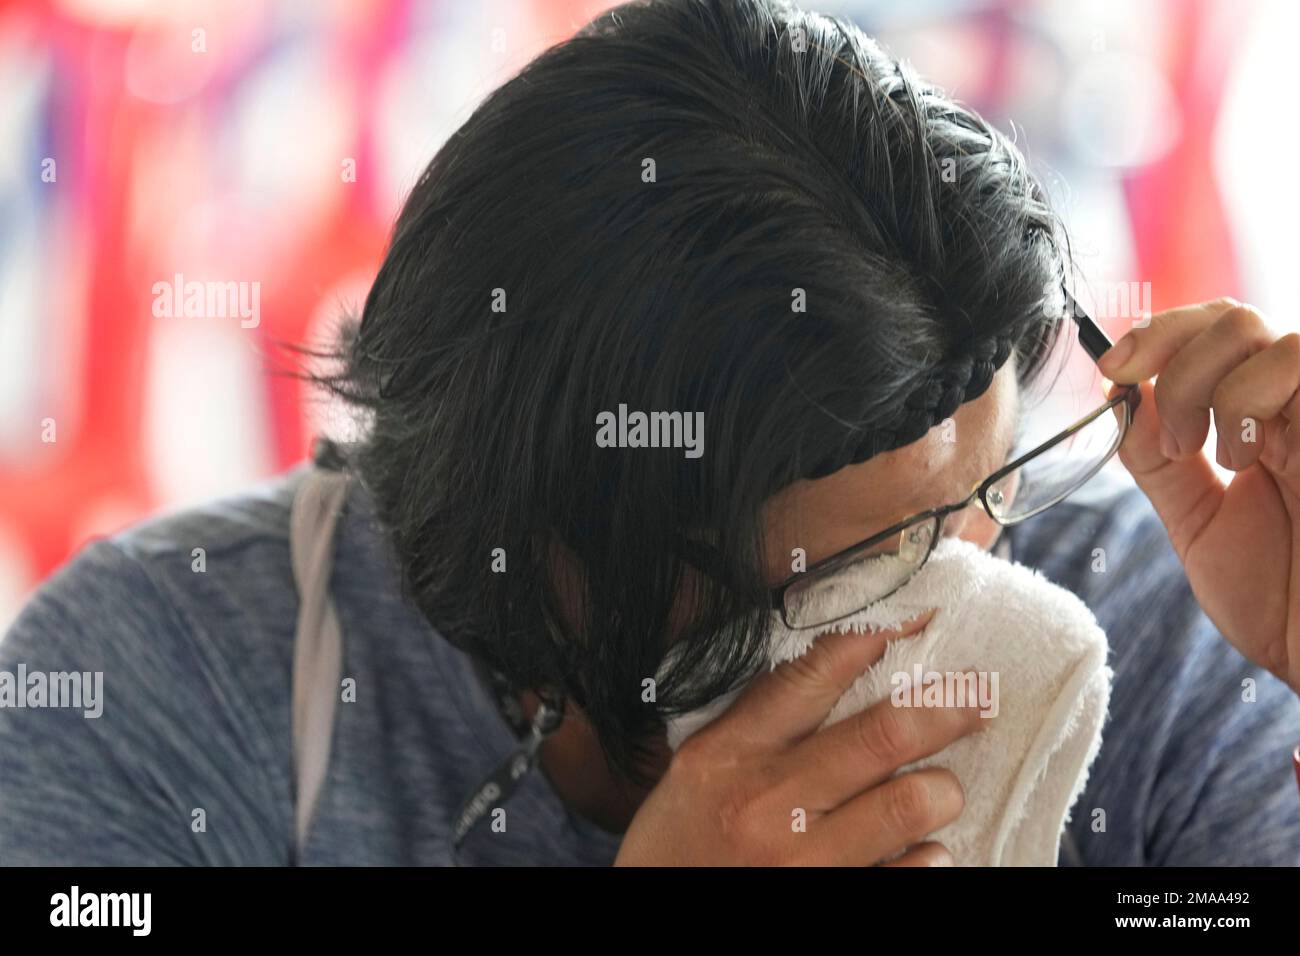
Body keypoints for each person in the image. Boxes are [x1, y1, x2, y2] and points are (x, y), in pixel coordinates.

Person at [2, 0, 1298, 866]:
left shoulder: (1144, 613)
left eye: (996, 492)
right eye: (881, 563)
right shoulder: (169, 682)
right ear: (556, 555)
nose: (981, 581)